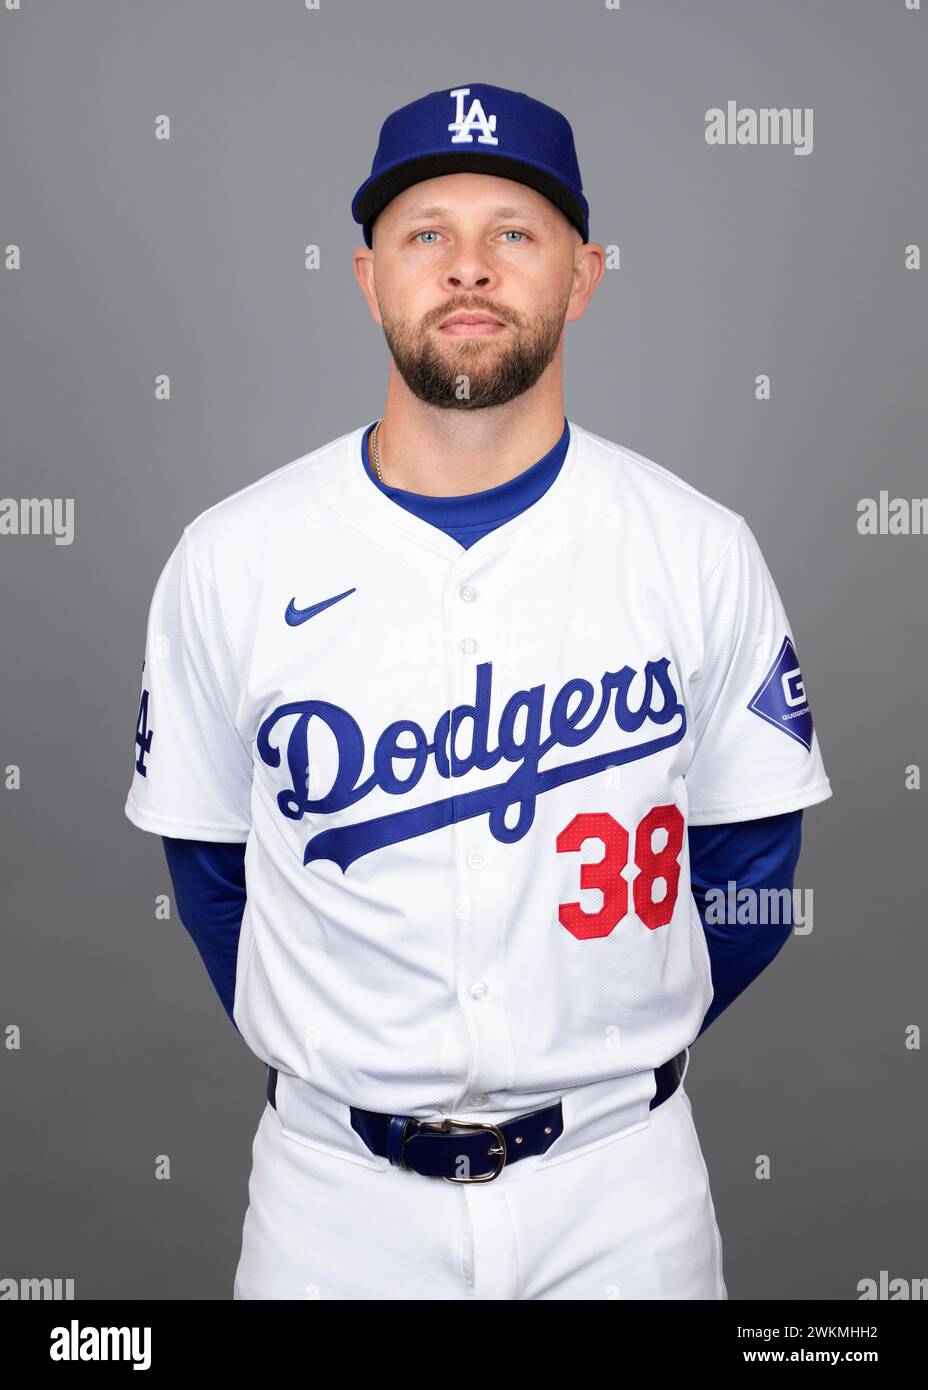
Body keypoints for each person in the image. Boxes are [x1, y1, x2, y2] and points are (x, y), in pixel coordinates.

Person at [125, 83, 832, 1300]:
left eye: (513, 232)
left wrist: (603, 1032)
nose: (468, 267)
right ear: (367, 278)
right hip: (330, 1198)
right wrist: (353, 1044)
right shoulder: (231, 555)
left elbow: (755, 854)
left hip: (623, 1187)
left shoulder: (696, 546)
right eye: (426, 234)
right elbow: (211, 877)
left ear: (584, 274)